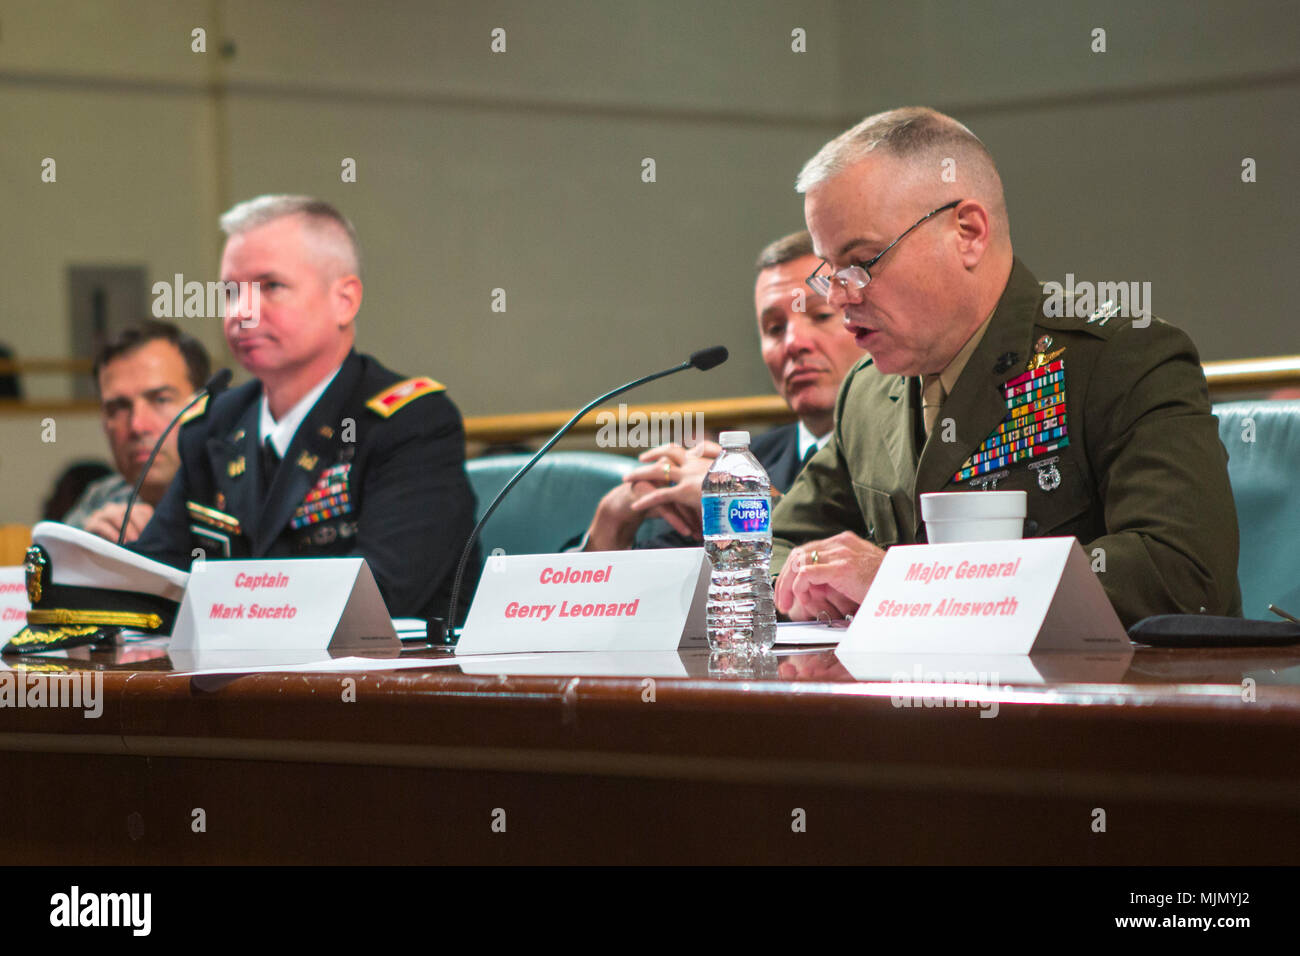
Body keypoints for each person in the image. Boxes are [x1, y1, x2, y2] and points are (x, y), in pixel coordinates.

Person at [771, 107, 1241, 628]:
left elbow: (1181, 573)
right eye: (828, 270)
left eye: (860, 263)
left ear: (968, 232)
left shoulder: (1118, 358)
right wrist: (802, 581)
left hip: (1091, 703)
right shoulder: (865, 392)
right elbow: (780, 544)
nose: (838, 296)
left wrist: (906, 584)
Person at [132, 195, 478, 624]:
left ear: (345, 301)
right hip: (233, 680)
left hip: (379, 685)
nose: (242, 312)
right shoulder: (216, 423)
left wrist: (227, 608)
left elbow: (379, 595)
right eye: (229, 292)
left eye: (271, 287)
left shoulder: (410, 422)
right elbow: (150, 582)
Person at [578, 230, 862, 551]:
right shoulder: (743, 459)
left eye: (821, 315)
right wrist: (614, 519)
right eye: (774, 329)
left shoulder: (905, 452)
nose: (793, 344)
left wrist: (749, 504)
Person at [64, 321, 211, 541]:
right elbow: (39, 569)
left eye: (161, 399)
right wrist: (86, 554)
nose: (137, 426)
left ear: (205, 407)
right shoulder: (104, 499)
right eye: (119, 407)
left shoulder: (246, 496)